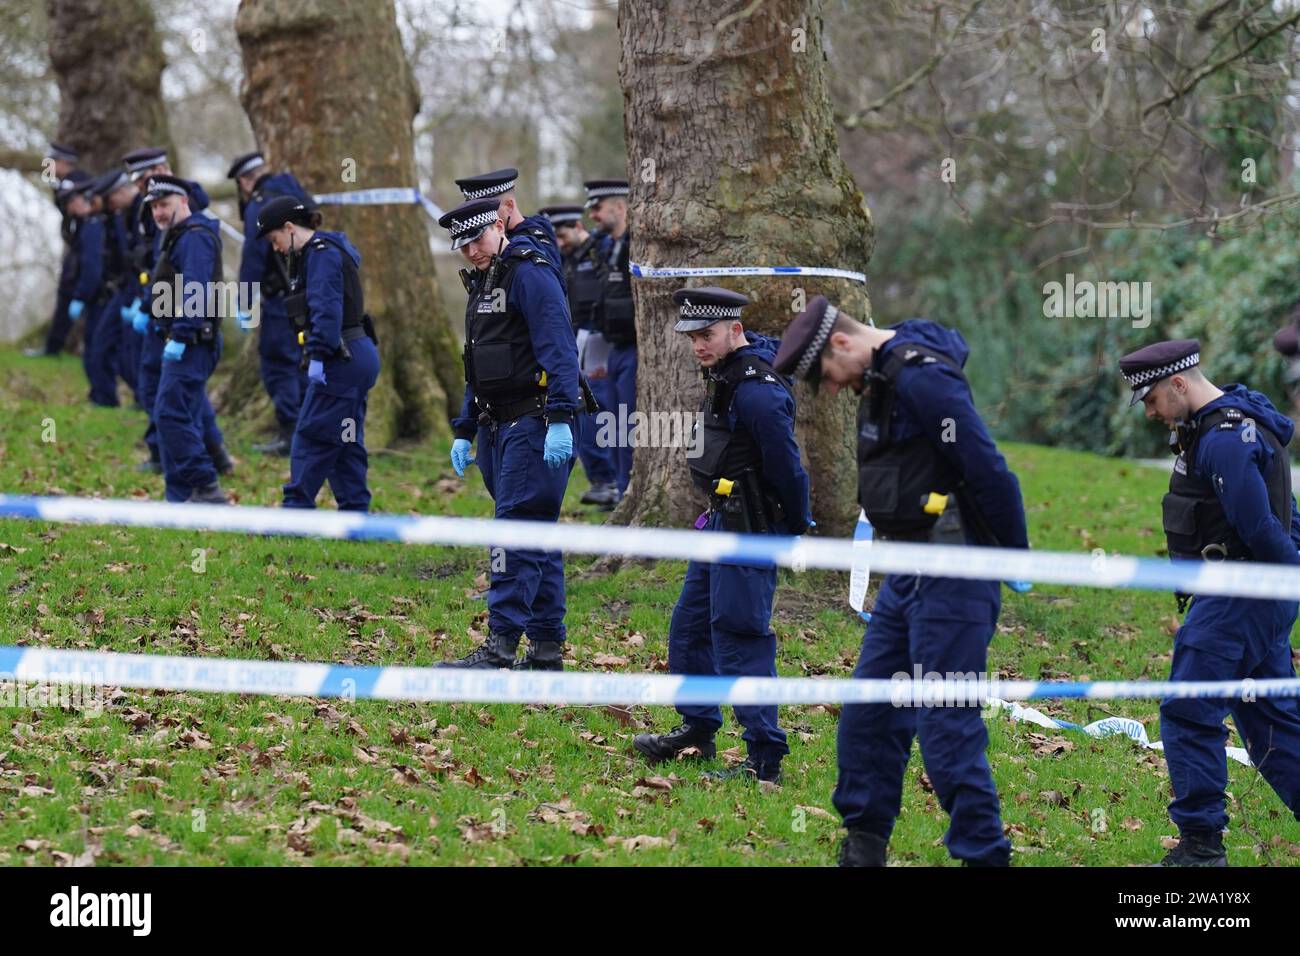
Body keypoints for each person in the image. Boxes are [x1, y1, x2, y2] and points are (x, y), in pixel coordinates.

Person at [773, 296, 1028, 867]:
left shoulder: (923, 380)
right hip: (906, 574)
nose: (831, 389)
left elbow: (987, 468)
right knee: (870, 712)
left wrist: (1015, 557)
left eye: (825, 377)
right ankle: (864, 845)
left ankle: (984, 855)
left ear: (841, 343)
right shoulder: (884, 380)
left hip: (956, 572)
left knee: (945, 724)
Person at [1118, 338, 1300, 866]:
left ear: (1179, 383)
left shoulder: (1223, 438)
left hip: (1240, 596)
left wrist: (1286, 581)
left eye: (1151, 398)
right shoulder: (1236, 421)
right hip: (1253, 596)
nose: (1150, 412)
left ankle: (1201, 848)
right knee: (1270, 722)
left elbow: (1262, 526)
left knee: (1188, 707)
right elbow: (1286, 514)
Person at [632, 288, 811, 784]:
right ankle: (698, 728)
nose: (698, 346)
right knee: (690, 628)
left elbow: (788, 468)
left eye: (706, 335)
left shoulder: (756, 390)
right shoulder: (724, 376)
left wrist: (794, 527)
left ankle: (764, 758)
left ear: (735, 330)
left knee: (738, 636)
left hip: (751, 530)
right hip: (719, 524)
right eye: (692, 337)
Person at [438, 197, 582, 671]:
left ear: (499, 226)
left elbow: (559, 347)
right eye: (462, 245)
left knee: (514, 536)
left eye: (477, 239)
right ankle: (545, 651)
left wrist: (561, 416)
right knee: (534, 536)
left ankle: (500, 647)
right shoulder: (485, 280)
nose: (471, 251)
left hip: (535, 422)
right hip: (497, 425)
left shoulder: (529, 271)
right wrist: (465, 426)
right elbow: (477, 362)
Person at [255, 196, 381, 511]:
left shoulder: (321, 256)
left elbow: (326, 310)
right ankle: (356, 512)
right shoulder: (325, 251)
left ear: (289, 228)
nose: (276, 248)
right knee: (344, 439)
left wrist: (318, 356)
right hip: (356, 355)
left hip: (341, 357)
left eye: (275, 239)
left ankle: (296, 512)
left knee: (312, 435)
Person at [121, 147, 229, 476]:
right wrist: (148, 303)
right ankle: (212, 457)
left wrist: (179, 328)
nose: (144, 191)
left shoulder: (188, 217)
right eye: (141, 186)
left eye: (146, 180)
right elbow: (158, 265)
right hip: (166, 312)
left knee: (165, 394)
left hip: (182, 320)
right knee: (181, 393)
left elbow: (193, 280)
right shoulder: (154, 209)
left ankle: (178, 464)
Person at [145, 175, 229, 504]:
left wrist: (181, 333)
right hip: (183, 339)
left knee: (168, 413)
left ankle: (206, 487)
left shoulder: (195, 236)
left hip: (192, 342)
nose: (158, 213)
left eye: (163, 204)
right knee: (182, 416)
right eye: (153, 207)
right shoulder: (178, 236)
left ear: (183, 202)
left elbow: (196, 287)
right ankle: (179, 497)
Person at [228, 150, 313, 456]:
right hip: (308, 291)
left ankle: (291, 434)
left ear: (244, 181)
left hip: (280, 298)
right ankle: (308, 430)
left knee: (277, 364)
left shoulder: (259, 204)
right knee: (305, 362)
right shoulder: (294, 191)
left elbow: (254, 255)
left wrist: (245, 299)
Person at [540, 203, 618, 509]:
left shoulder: (600, 254)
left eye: (562, 235)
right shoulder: (561, 260)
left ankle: (612, 480)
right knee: (585, 413)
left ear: (577, 226)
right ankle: (602, 480)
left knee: (605, 414)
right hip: (575, 342)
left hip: (602, 343)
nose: (558, 243)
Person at [585, 178, 636, 496]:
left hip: (634, 350)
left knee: (629, 425)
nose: (592, 215)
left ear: (620, 207)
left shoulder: (636, 245)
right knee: (614, 426)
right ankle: (620, 488)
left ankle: (629, 485)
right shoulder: (606, 248)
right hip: (613, 348)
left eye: (598, 208)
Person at [26, 144, 83, 358]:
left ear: (65, 162)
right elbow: (50, 183)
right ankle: (53, 345)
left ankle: (56, 346)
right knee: (65, 293)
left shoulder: (76, 182)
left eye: (53, 162)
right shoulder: (62, 182)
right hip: (74, 244)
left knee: (70, 293)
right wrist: (49, 166)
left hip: (83, 246)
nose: (48, 166)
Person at [455, 167, 562, 271]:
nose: (482, 217)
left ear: (509, 205)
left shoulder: (532, 243)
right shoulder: (503, 240)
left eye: (488, 209)